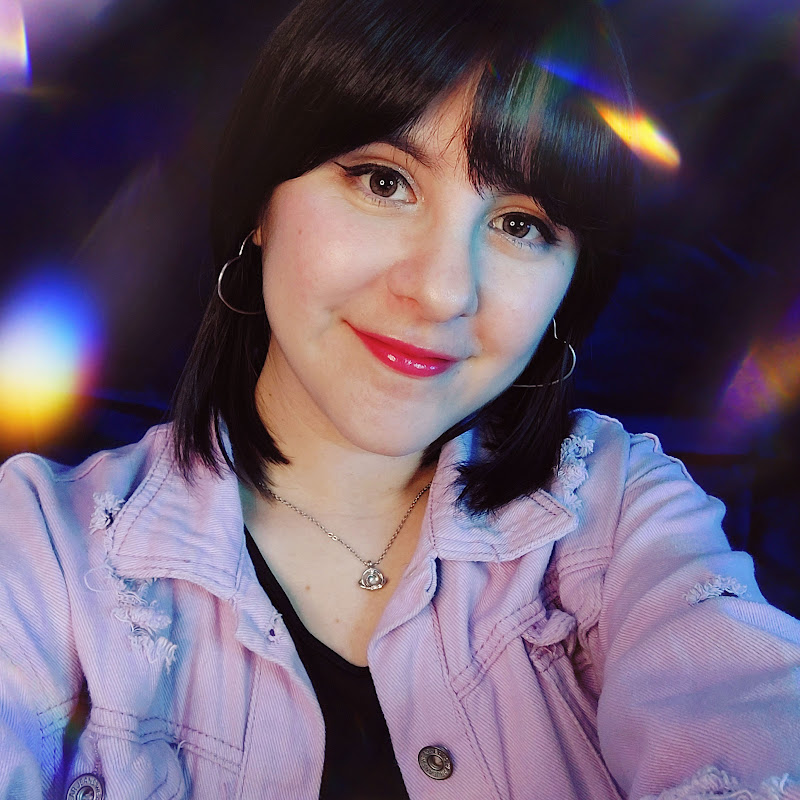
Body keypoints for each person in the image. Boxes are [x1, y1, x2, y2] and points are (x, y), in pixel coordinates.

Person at [1, 0, 798, 797]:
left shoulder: (619, 515)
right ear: (260, 202)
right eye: (385, 182)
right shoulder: (44, 550)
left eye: (521, 225)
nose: (445, 291)